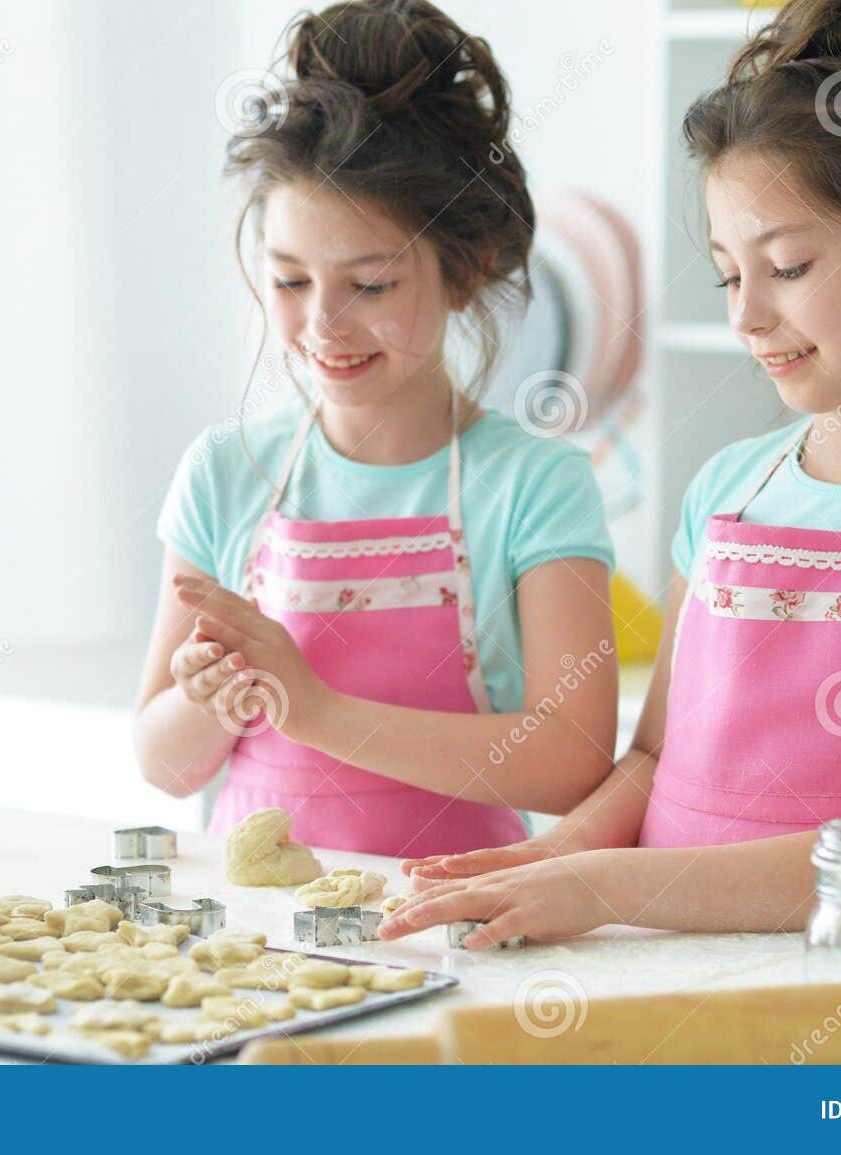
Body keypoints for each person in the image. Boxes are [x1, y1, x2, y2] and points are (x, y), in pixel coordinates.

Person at [383, 0, 841, 946]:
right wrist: (553, 856)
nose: (746, 317)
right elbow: (655, 756)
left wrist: (598, 889)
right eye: (728, 275)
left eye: (786, 265)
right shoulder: (728, 492)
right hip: (662, 972)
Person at [134, 0, 618, 859]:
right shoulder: (225, 471)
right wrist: (209, 698)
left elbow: (570, 760)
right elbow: (163, 765)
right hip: (256, 939)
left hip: (455, 924)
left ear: (464, 272)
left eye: (372, 285)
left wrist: (313, 707)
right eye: (289, 282)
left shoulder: (536, 487)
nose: (324, 324)